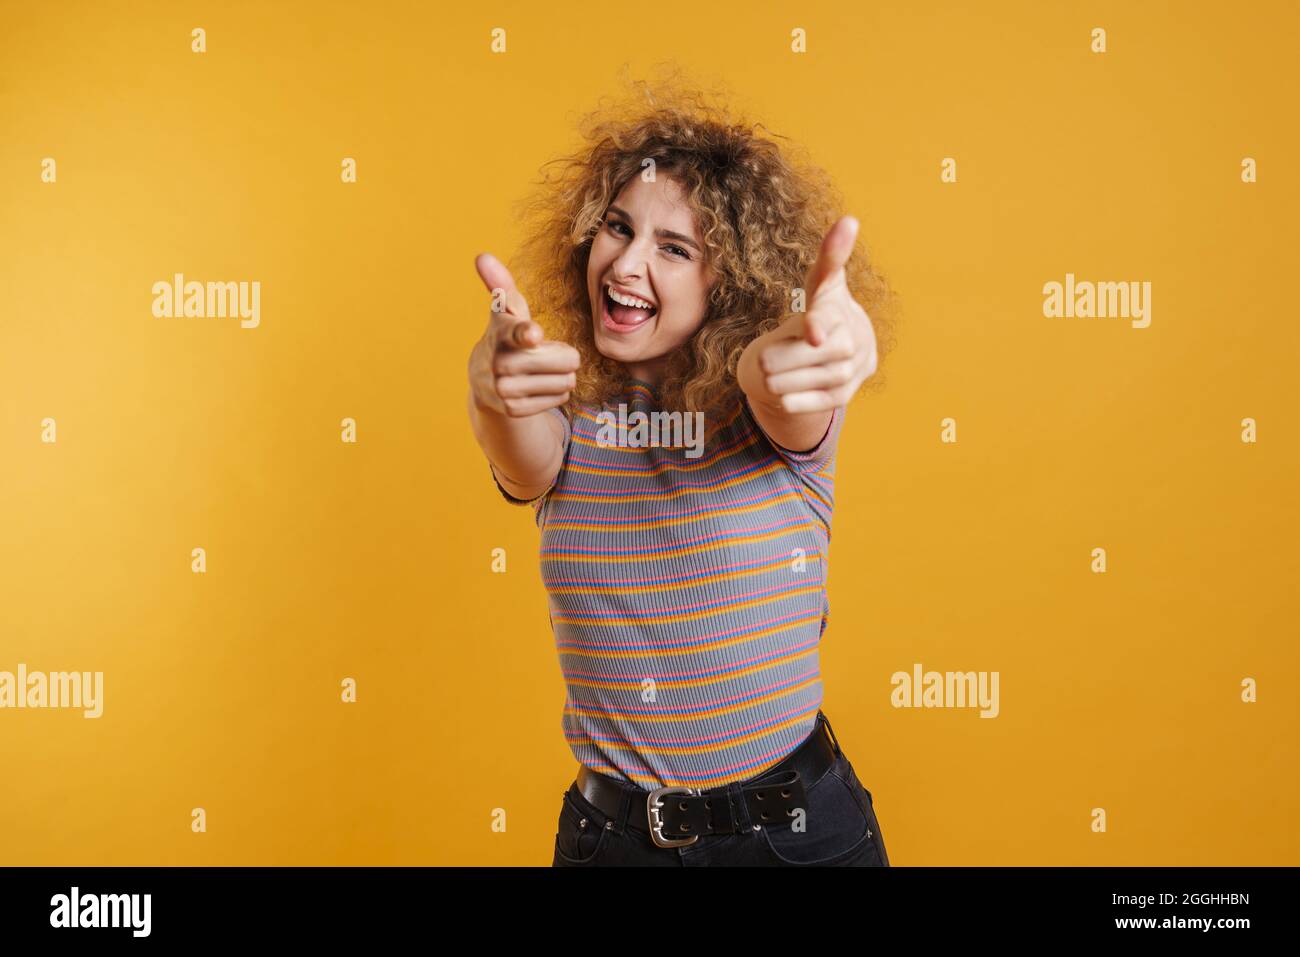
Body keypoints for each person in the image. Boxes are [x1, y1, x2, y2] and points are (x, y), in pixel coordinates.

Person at [466, 84, 897, 866]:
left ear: (726, 281)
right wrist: (492, 388)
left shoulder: (763, 414)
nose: (627, 262)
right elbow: (518, 449)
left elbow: (781, 381)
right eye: (617, 228)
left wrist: (827, 348)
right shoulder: (571, 422)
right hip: (615, 843)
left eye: (674, 248)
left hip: (797, 837)